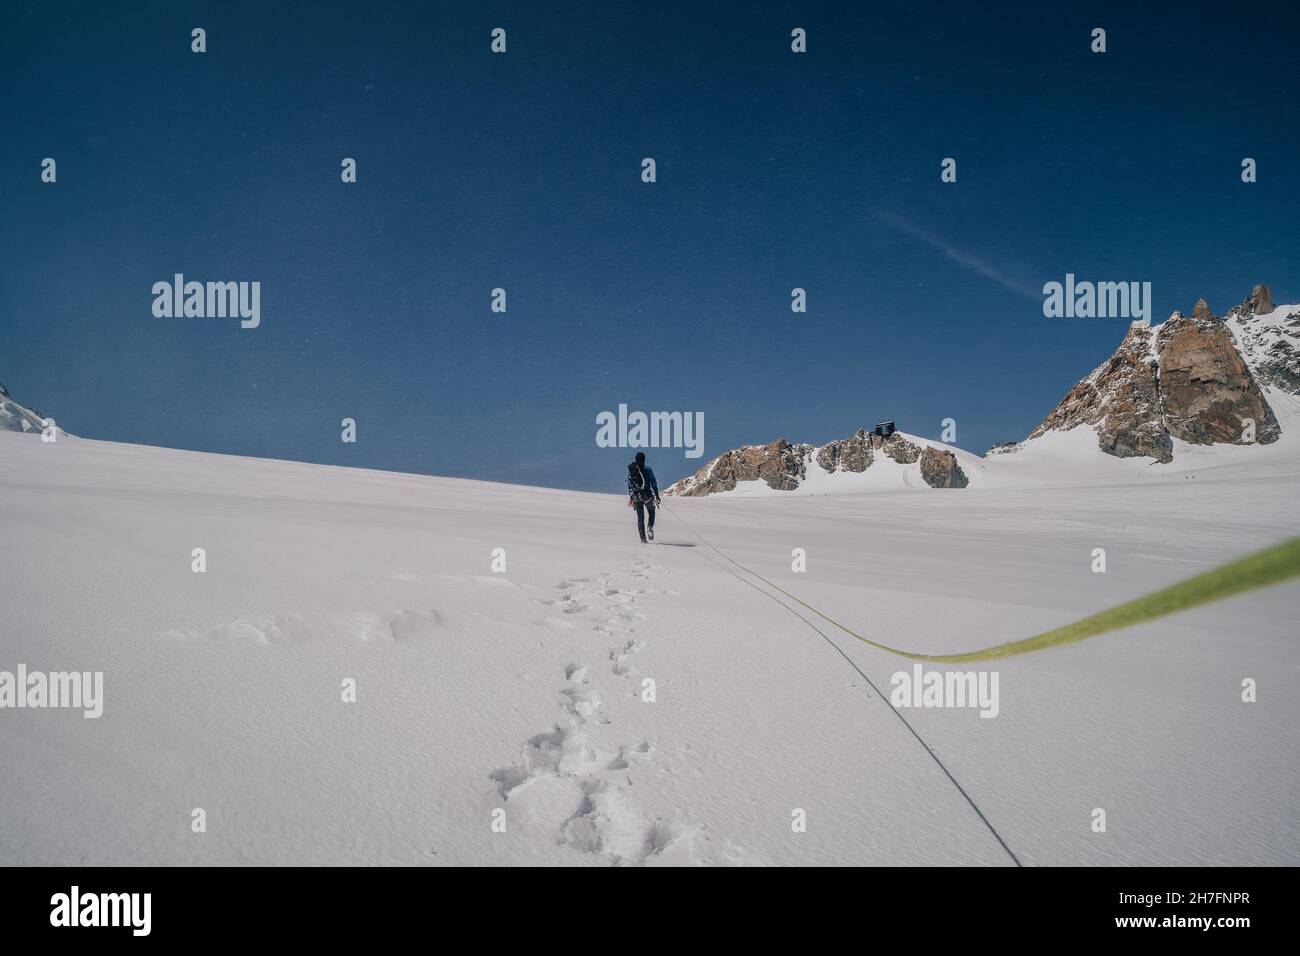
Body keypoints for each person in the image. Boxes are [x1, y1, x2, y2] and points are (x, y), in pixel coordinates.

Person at [626, 451, 660, 543]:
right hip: (647, 495)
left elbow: (629, 484)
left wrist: (631, 498)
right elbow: (653, 482)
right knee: (651, 511)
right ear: (644, 459)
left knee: (640, 518)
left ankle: (643, 540)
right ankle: (650, 528)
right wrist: (656, 494)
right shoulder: (647, 469)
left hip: (636, 496)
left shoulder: (632, 470)